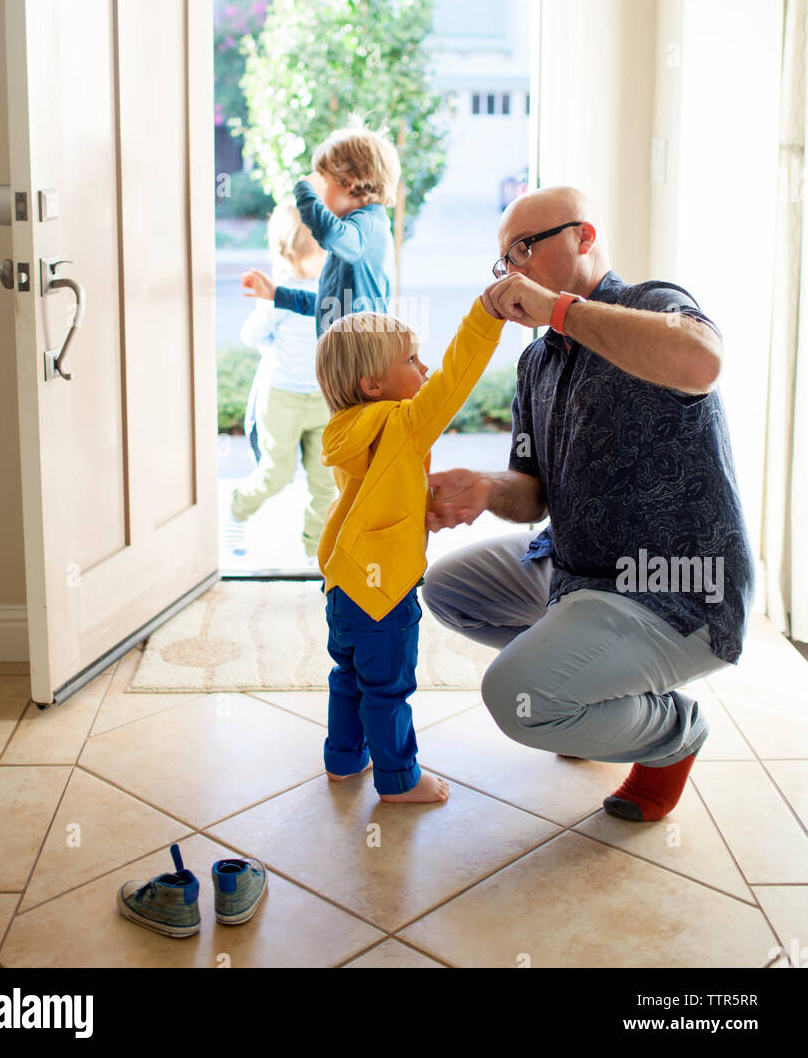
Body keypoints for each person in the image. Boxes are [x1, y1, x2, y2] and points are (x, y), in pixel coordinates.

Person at [422, 185, 754, 822]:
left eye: (524, 248)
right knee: (447, 590)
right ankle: (593, 692)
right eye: (504, 260)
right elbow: (534, 494)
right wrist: (489, 489)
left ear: (584, 236)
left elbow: (701, 362)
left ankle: (671, 734)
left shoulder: (651, 305)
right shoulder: (537, 364)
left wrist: (561, 309)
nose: (512, 269)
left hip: (675, 588)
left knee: (515, 696)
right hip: (576, 567)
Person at [313, 276, 523, 803]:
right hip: (384, 593)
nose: (424, 370)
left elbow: (374, 494)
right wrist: (485, 317)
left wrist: (419, 497)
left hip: (343, 584)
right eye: (411, 360)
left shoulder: (347, 427)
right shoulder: (403, 422)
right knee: (388, 690)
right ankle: (399, 780)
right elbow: (455, 380)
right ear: (373, 385)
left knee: (349, 676)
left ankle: (342, 760)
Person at [227, 203, 337, 562]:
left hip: (323, 400)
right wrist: (270, 331)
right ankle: (237, 510)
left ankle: (313, 552)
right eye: (318, 251)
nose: (324, 256)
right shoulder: (281, 295)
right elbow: (250, 335)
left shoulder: (331, 289)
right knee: (277, 474)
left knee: (325, 482)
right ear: (290, 255)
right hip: (283, 398)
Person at [241, 115, 400, 336]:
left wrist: (303, 188)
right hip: (343, 362)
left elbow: (327, 232)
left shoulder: (368, 227)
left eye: (324, 181)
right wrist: (276, 294)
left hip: (362, 364)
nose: (320, 192)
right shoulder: (357, 232)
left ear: (350, 182)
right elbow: (330, 308)